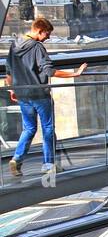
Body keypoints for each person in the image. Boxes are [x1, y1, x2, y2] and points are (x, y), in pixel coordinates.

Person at [6, 16, 87, 177]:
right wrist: (75, 73)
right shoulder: (37, 47)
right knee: (48, 129)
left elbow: (9, 71)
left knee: (29, 128)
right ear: (39, 30)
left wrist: (12, 90)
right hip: (40, 95)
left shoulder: (14, 45)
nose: (48, 38)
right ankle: (48, 165)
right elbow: (49, 71)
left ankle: (17, 159)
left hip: (23, 95)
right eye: (47, 34)